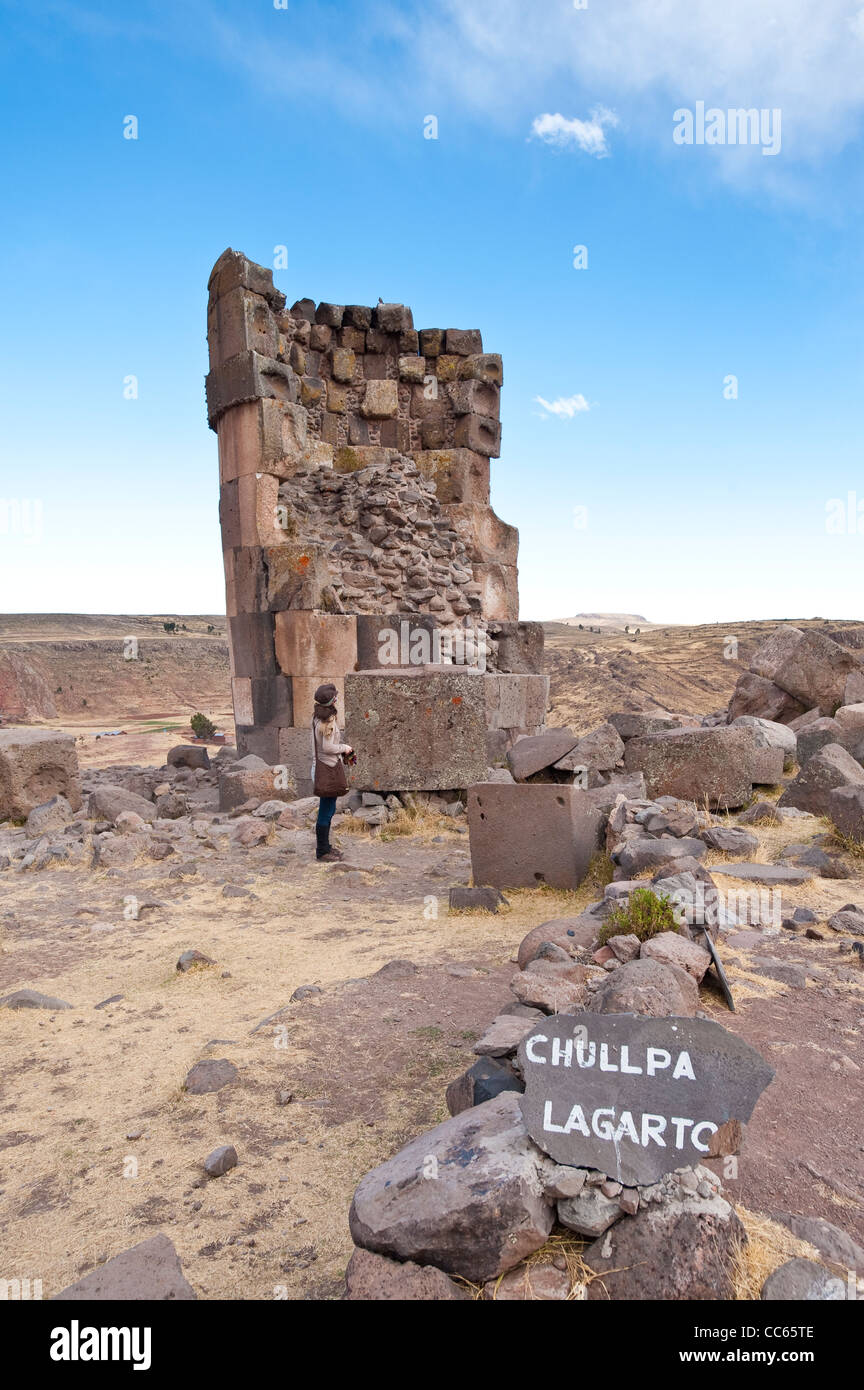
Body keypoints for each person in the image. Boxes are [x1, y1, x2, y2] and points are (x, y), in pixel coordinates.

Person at [311, 683, 353, 862]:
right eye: (335, 696)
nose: (337, 697)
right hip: (326, 769)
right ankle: (322, 851)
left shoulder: (318, 716)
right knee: (326, 811)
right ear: (331, 701)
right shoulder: (327, 721)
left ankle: (326, 846)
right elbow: (327, 747)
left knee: (328, 808)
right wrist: (345, 748)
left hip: (322, 766)